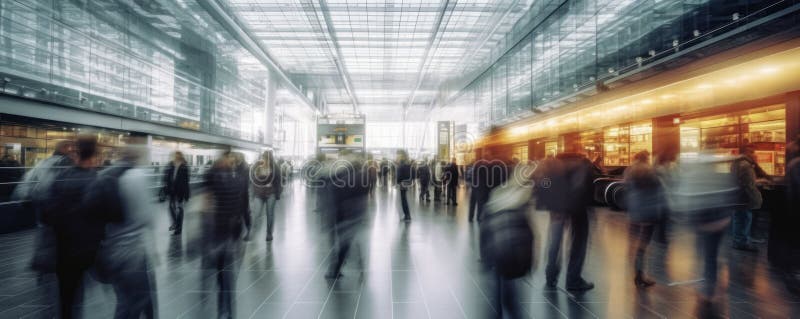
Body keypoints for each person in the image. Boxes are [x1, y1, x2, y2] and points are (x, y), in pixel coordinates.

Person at [86, 140, 158, 319]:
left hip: (110, 249)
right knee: (135, 301)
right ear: (139, 156)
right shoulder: (136, 176)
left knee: (126, 299)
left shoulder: (106, 175)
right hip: (132, 252)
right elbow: (145, 217)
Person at [44, 134, 102, 319]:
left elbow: (48, 212)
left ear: (77, 151)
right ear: (94, 153)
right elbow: (105, 215)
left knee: (66, 297)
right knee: (82, 294)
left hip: (64, 247)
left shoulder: (62, 176)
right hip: (89, 248)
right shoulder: (97, 180)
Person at [539, 152, 595, 291]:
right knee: (578, 243)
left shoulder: (551, 167)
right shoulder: (583, 165)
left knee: (555, 242)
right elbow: (586, 188)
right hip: (577, 209)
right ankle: (573, 280)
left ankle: (551, 276)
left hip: (557, 209)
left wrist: (551, 203)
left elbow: (544, 184)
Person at [202, 151, 246, 319]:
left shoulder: (215, 178)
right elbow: (239, 208)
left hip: (221, 235)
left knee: (222, 275)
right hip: (225, 235)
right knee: (225, 276)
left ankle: (224, 310)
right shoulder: (235, 179)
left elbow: (208, 206)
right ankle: (226, 310)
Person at [323, 152, 369, 279]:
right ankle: (348, 265)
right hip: (353, 214)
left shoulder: (344, 177)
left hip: (343, 215)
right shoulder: (361, 176)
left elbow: (334, 192)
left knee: (343, 242)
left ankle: (336, 269)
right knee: (347, 242)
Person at [624, 151, 664, 288]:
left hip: (634, 214)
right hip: (647, 214)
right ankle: (640, 276)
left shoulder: (630, 171)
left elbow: (627, 190)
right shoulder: (650, 173)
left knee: (636, 246)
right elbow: (659, 190)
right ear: (646, 159)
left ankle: (638, 274)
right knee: (642, 247)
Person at [730, 144, 764, 252]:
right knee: (745, 219)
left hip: (736, 196)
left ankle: (738, 241)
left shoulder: (735, 163)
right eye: (752, 152)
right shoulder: (746, 165)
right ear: (746, 153)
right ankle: (742, 242)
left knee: (738, 219)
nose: (754, 154)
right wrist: (756, 197)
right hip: (744, 197)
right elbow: (749, 184)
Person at [251, 150, 282, 241]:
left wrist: (277, 194)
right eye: (264, 157)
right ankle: (253, 231)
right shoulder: (258, 166)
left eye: (267, 158)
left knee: (270, 214)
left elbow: (279, 181)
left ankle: (269, 233)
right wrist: (257, 188)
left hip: (270, 193)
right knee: (256, 213)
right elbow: (253, 179)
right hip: (259, 193)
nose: (265, 159)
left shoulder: (275, 167)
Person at [163, 151, 190, 235]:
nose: (176, 157)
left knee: (179, 209)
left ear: (180, 156)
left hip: (180, 191)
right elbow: (166, 177)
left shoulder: (184, 167)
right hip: (172, 190)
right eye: (175, 155)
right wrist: (166, 188)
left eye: (177, 155)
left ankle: (178, 229)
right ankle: (175, 223)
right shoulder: (170, 164)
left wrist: (186, 194)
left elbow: (186, 181)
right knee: (170, 207)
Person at [232, 152, 252, 240]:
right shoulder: (236, 166)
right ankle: (237, 233)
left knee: (244, 213)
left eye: (235, 156)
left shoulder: (244, 167)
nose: (234, 158)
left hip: (242, 195)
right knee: (238, 214)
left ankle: (248, 232)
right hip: (237, 194)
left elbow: (244, 182)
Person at [396, 150, 413, 221]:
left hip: (402, 183)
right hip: (406, 182)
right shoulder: (408, 164)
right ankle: (407, 215)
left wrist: (398, 181)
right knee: (404, 199)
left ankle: (407, 215)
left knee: (403, 200)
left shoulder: (401, 165)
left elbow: (399, 175)